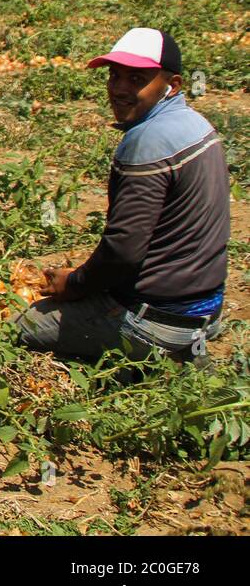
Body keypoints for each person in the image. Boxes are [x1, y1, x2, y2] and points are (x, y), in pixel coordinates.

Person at [16, 28, 231, 363]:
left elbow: (124, 252)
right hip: (204, 312)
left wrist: (74, 283)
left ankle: (145, 355)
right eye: (115, 76)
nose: (118, 89)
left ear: (171, 85)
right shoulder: (198, 126)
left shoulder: (147, 141)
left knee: (18, 328)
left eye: (136, 79)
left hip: (156, 321)